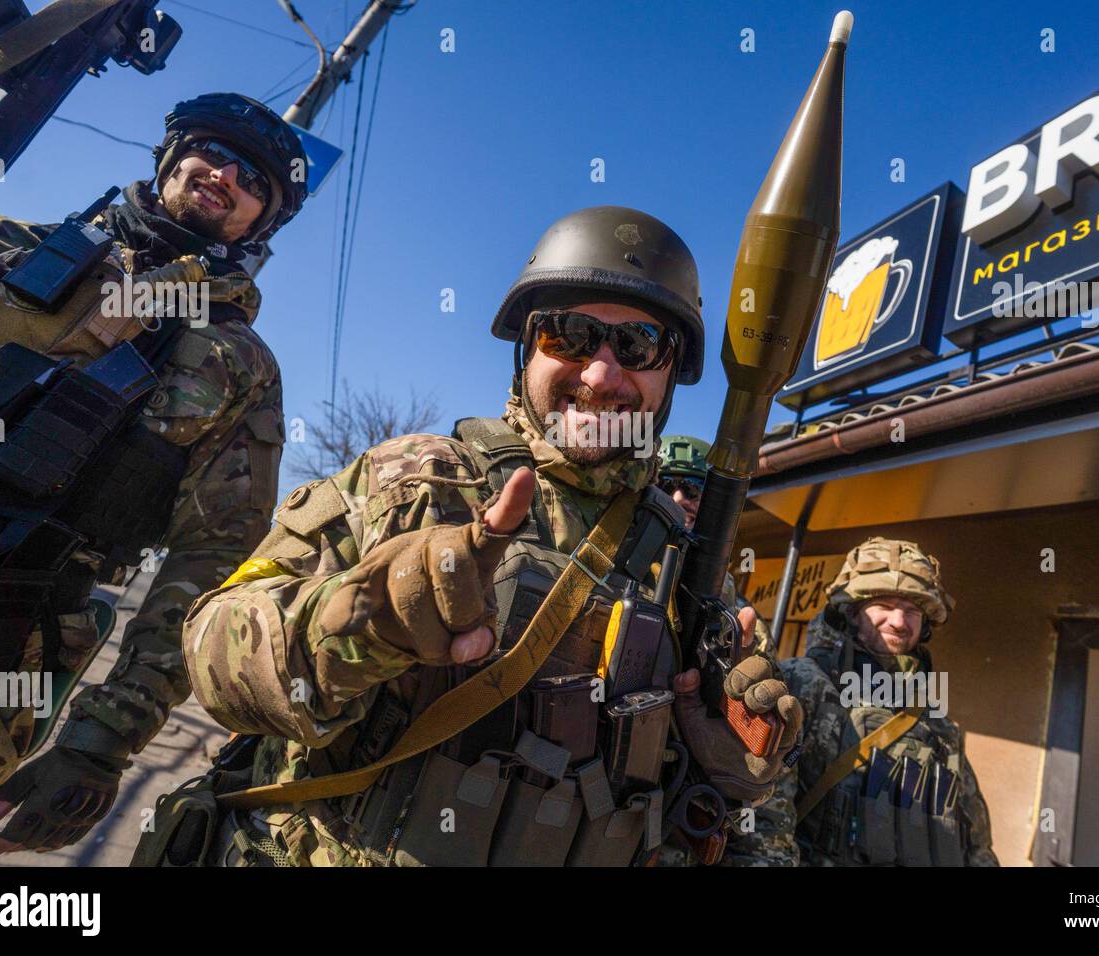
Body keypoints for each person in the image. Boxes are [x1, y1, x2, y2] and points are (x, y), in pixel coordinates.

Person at [161, 205, 801, 867]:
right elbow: (210, 650)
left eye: (639, 345)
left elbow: (710, 815)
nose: (603, 376)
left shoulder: (688, 573)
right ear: (527, 349)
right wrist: (355, 625)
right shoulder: (414, 483)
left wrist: (730, 771)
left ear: (670, 374)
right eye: (571, 337)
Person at [0, 92, 307, 864]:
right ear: (170, 158)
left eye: (254, 181)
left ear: (262, 225)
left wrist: (100, 744)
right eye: (212, 152)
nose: (226, 175)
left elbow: (210, 566)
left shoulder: (239, 367)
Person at [728, 536, 998, 866]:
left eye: (912, 610)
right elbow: (763, 818)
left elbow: (973, 836)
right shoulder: (802, 685)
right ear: (853, 613)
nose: (899, 622)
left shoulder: (934, 720)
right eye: (884, 606)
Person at [656, 434, 774, 656]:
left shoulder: (728, 599)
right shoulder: (618, 559)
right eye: (665, 487)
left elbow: (763, 669)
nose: (678, 499)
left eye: (692, 489)